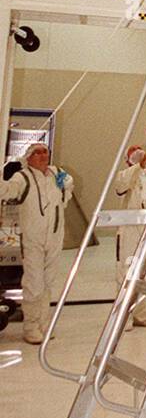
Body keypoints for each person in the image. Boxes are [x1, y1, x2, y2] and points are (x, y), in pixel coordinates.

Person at [0, 142, 73, 344]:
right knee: (34, 281)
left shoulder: (56, 173)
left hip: (55, 235)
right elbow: (7, 191)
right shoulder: (22, 177)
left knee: (49, 280)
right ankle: (31, 326)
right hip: (33, 238)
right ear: (29, 157)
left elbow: (68, 187)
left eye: (45, 152)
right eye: (37, 152)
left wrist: (66, 182)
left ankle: (43, 324)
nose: (42, 155)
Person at [114, 146, 146, 328]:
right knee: (126, 273)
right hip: (129, 231)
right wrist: (139, 166)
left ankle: (141, 314)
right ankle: (122, 317)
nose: (140, 156)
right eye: (135, 154)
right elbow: (120, 187)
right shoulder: (125, 175)